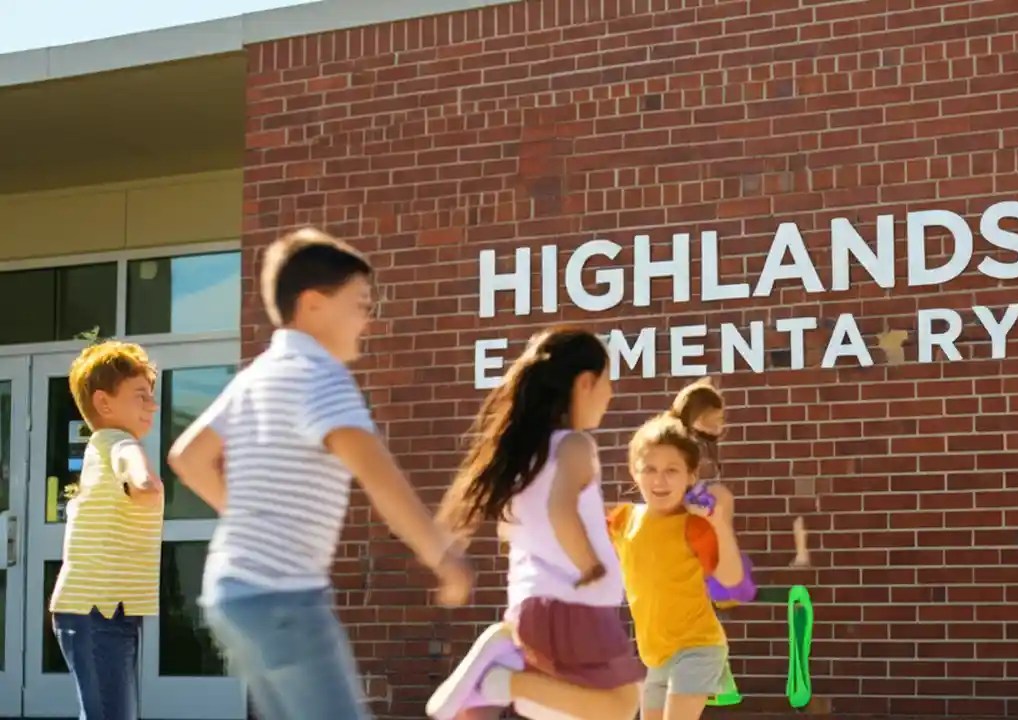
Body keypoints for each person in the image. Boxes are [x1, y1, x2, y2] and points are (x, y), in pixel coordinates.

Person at [167, 228, 472, 720]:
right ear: (312, 304)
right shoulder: (320, 377)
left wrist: (247, 517)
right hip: (284, 597)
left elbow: (188, 457)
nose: (368, 322)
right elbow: (380, 479)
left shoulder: (257, 375)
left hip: (231, 592)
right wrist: (443, 555)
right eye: (360, 304)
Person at [427, 327, 643, 720]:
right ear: (585, 383)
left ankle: (507, 662)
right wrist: (590, 565)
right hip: (574, 607)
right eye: (608, 382)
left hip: (532, 607)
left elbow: (522, 527)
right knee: (621, 705)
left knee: (564, 709)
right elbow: (560, 511)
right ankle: (504, 679)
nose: (611, 394)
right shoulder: (575, 445)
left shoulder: (524, 456)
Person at [52, 341, 164, 720]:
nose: (153, 405)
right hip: (95, 610)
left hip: (107, 609)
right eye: (141, 396)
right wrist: (146, 484)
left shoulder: (100, 446)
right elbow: (134, 470)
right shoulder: (120, 443)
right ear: (104, 403)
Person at [609, 413, 745, 720]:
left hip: (698, 647)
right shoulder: (622, 520)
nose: (660, 480)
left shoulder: (694, 526)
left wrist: (719, 525)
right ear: (634, 472)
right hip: (656, 655)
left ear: (691, 476)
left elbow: (732, 583)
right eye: (650, 470)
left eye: (672, 470)